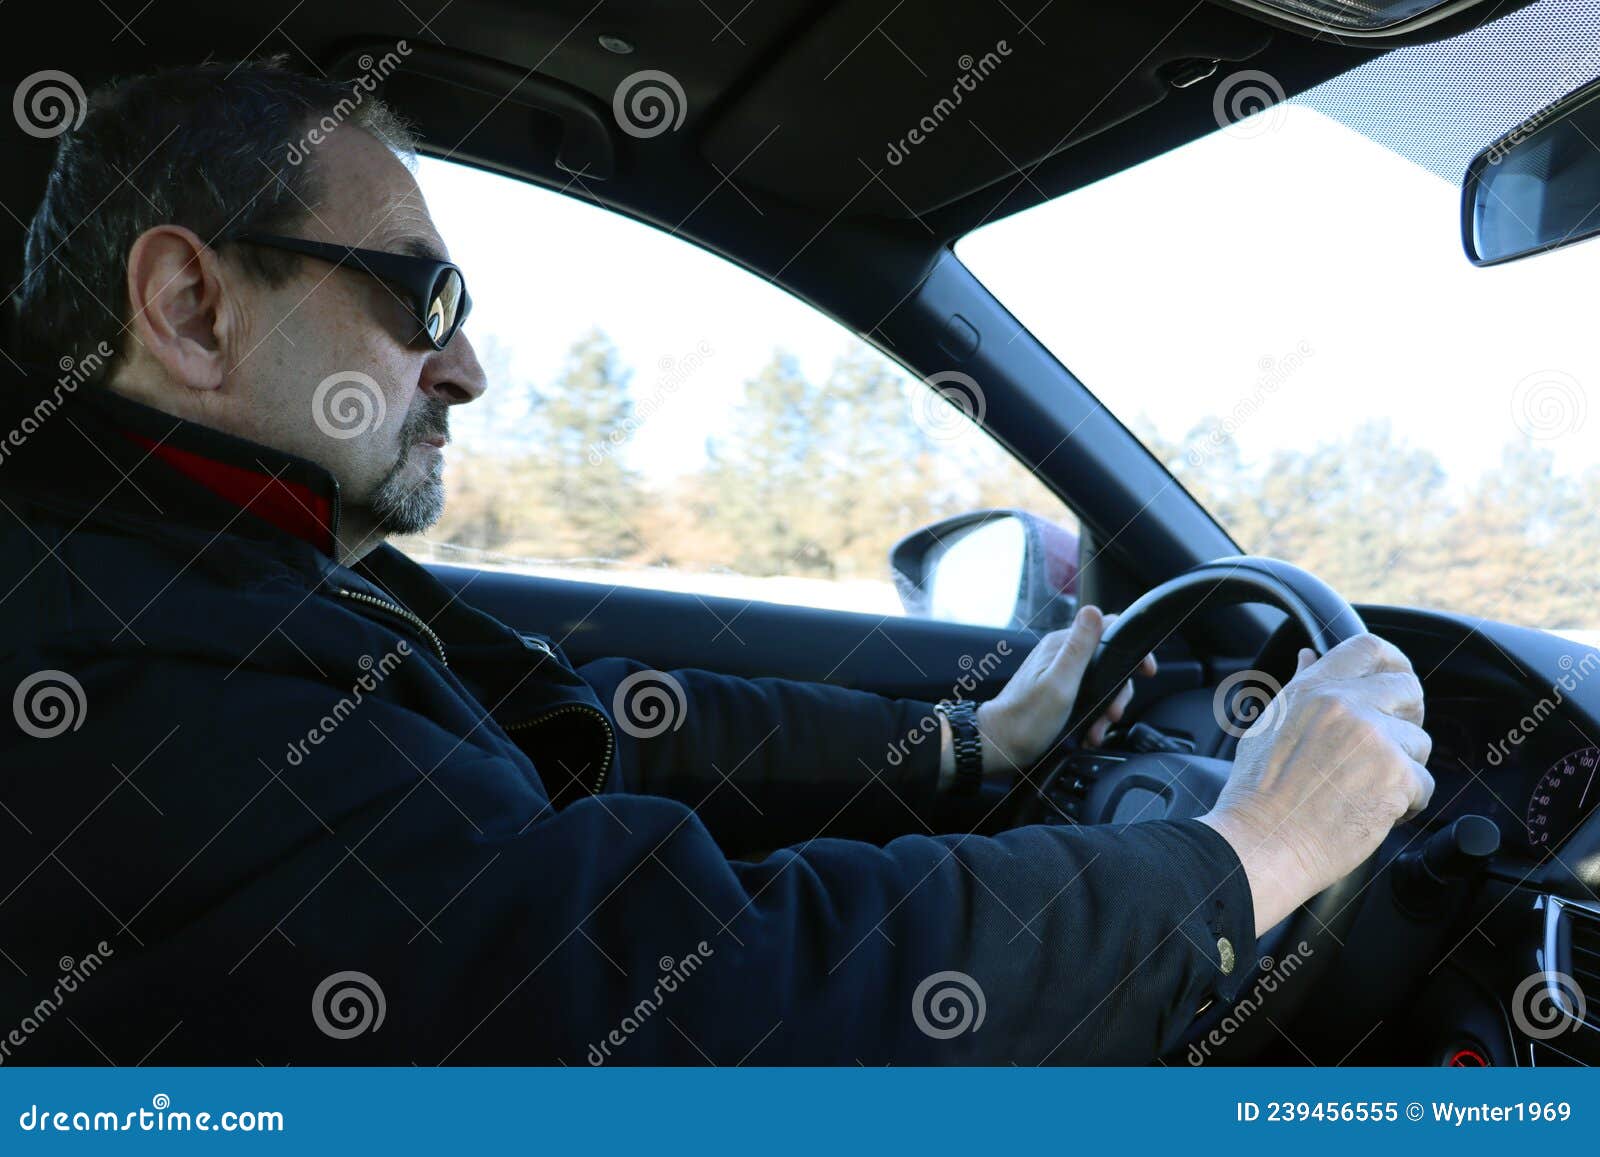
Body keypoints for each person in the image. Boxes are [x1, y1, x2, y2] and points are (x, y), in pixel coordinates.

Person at [0, 60, 1432, 1065]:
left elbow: (592, 724)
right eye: (421, 294)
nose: (470, 367)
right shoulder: (129, 667)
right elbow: (724, 1004)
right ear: (191, 306)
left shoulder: (233, 580)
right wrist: (1248, 853)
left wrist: (968, 742)